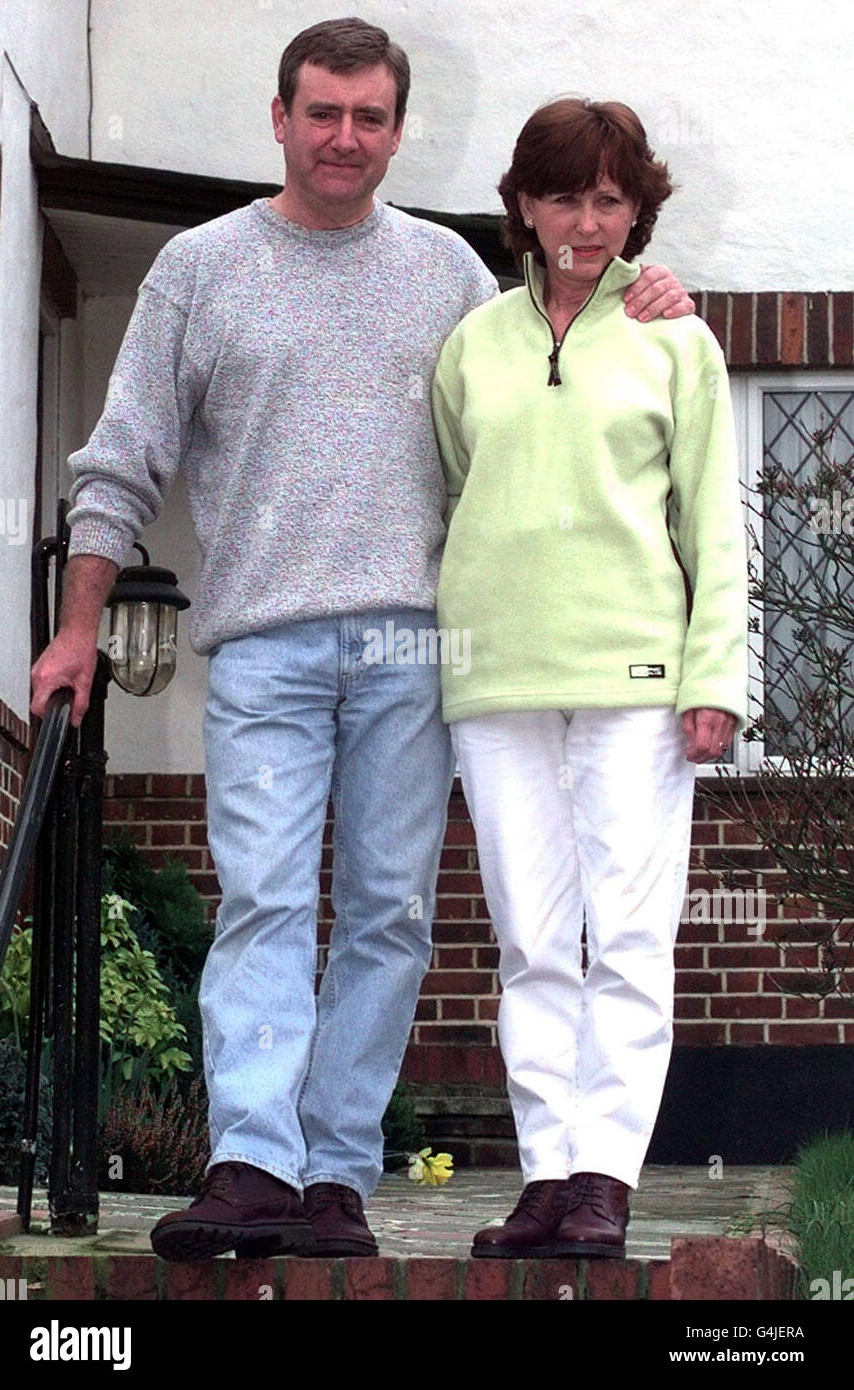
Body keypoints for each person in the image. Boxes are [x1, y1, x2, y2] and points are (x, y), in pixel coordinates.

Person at [29, 21, 695, 1263]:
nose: (345, 137)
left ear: (397, 130)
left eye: (370, 117)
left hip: (416, 650)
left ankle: (334, 1178)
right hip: (266, 650)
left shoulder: (447, 275)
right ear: (278, 117)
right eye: (323, 112)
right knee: (267, 902)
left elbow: (552, 378)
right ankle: (252, 1163)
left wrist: (652, 294)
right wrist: (77, 630)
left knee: (389, 914)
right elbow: (118, 462)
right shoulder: (199, 270)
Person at [431, 97, 749, 1260]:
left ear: (637, 211)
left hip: (635, 679)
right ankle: (545, 1175)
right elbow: (460, 493)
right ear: (523, 205)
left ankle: (605, 1179)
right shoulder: (472, 344)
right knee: (528, 937)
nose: (585, 219)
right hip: (497, 680)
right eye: (563, 195)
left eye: (609, 198)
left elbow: (713, 522)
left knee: (624, 937)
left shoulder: (678, 340)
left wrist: (712, 673)